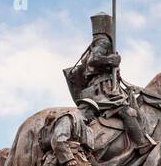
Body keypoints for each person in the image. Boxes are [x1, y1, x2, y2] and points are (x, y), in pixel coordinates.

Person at [64, 14, 154, 152]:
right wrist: (112, 60)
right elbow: (94, 60)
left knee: (132, 106)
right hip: (100, 90)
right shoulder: (103, 40)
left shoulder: (94, 43)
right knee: (126, 111)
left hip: (103, 87)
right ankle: (142, 144)